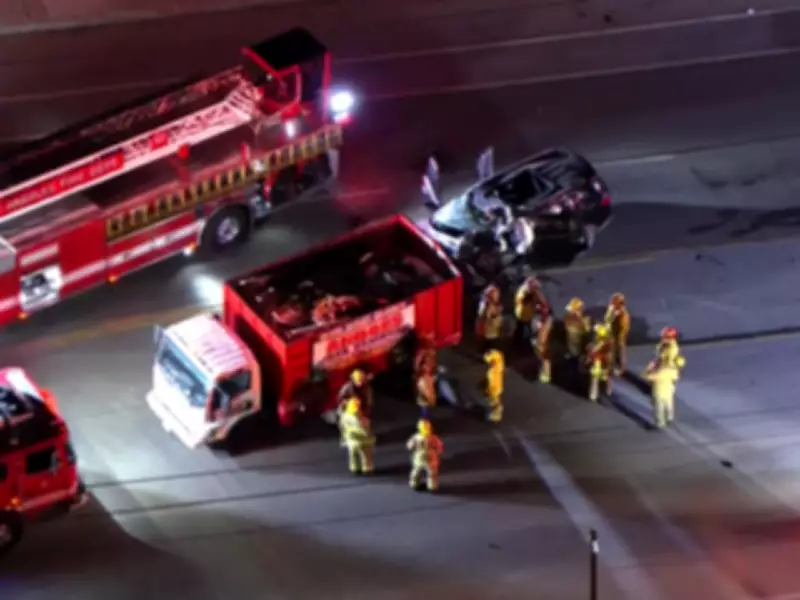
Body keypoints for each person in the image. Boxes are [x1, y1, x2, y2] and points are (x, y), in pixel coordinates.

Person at [337, 398, 375, 474]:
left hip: (352, 439)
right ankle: (367, 468)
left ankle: (355, 467)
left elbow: (342, 427)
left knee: (354, 455)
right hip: (362, 440)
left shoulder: (344, 417)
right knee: (365, 455)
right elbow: (365, 429)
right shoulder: (360, 418)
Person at [407, 419, 444, 491]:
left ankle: (432, 486)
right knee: (416, 473)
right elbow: (410, 445)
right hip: (419, 457)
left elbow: (439, 445)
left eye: (426, 427)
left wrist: (438, 451)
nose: (425, 429)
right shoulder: (416, 437)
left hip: (430, 457)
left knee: (432, 473)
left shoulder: (433, 437)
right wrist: (411, 446)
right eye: (423, 427)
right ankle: (414, 483)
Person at [644, 359, 680, 428]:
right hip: (668, 392)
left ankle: (660, 423)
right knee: (669, 406)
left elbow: (645, 376)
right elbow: (676, 377)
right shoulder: (670, 371)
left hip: (658, 393)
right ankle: (669, 417)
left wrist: (650, 367)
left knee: (659, 409)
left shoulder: (657, 374)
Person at [513, 276, 547, 346]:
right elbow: (521, 301)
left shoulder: (535, 292)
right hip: (522, 315)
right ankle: (517, 344)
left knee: (531, 330)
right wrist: (531, 296)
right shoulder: (522, 291)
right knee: (520, 330)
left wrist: (541, 305)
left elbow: (542, 301)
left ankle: (529, 344)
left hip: (530, 315)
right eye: (534, 287)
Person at [586, 323, 614, 402]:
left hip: (603, 362)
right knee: (596, 377)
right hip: (597, 362)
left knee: (606, 376)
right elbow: (591, 350)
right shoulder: (598, 342)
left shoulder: (606, 343)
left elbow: (608, 353)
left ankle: (607, 389)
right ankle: (594, 394)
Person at [605, 293, 631, 375]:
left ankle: (620, 368)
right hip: (611, 334)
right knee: (611, 351)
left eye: (614, 302)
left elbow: (624, 328)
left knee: (619, 352)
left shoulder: (623, 314)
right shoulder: (612, 309)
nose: (612, 303)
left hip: (618, 336)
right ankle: (611, 366)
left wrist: (620, 338)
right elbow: (607, 319)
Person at [476, 284, 503, 351]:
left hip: (493, 328)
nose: (496, 296)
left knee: (491, 341)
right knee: (487, 342)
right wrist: (494, 314)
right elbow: (483, 315)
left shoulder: (496, 303)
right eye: (494, 294)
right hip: (487, 328)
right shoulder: (485, 304)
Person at [534, 304, 554, 383]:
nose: (544, 312)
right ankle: (541, 371)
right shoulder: (537, 320)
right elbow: (536, 330)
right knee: (540, 357)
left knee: (546, 359)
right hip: (539, 342)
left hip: (546, 342)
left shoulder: (549, 320)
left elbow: (548, 331)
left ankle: (546, 375)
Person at [483, 349, 505, 423]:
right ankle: (496, 412)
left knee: (495, 400)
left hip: (494, 388)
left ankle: (496, 415)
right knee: (494, 400)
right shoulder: (498, 361)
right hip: (495, 387)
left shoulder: (496, 366)